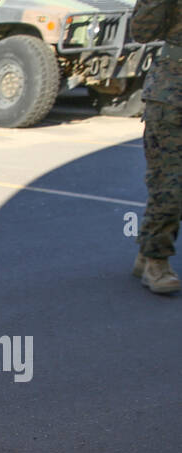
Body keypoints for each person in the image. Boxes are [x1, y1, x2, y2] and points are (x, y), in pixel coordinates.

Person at [130, 0, 182, 295]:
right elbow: (141, 31)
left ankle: (146, 252)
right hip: (173, 93)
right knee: (169, 185)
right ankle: (156, 263)